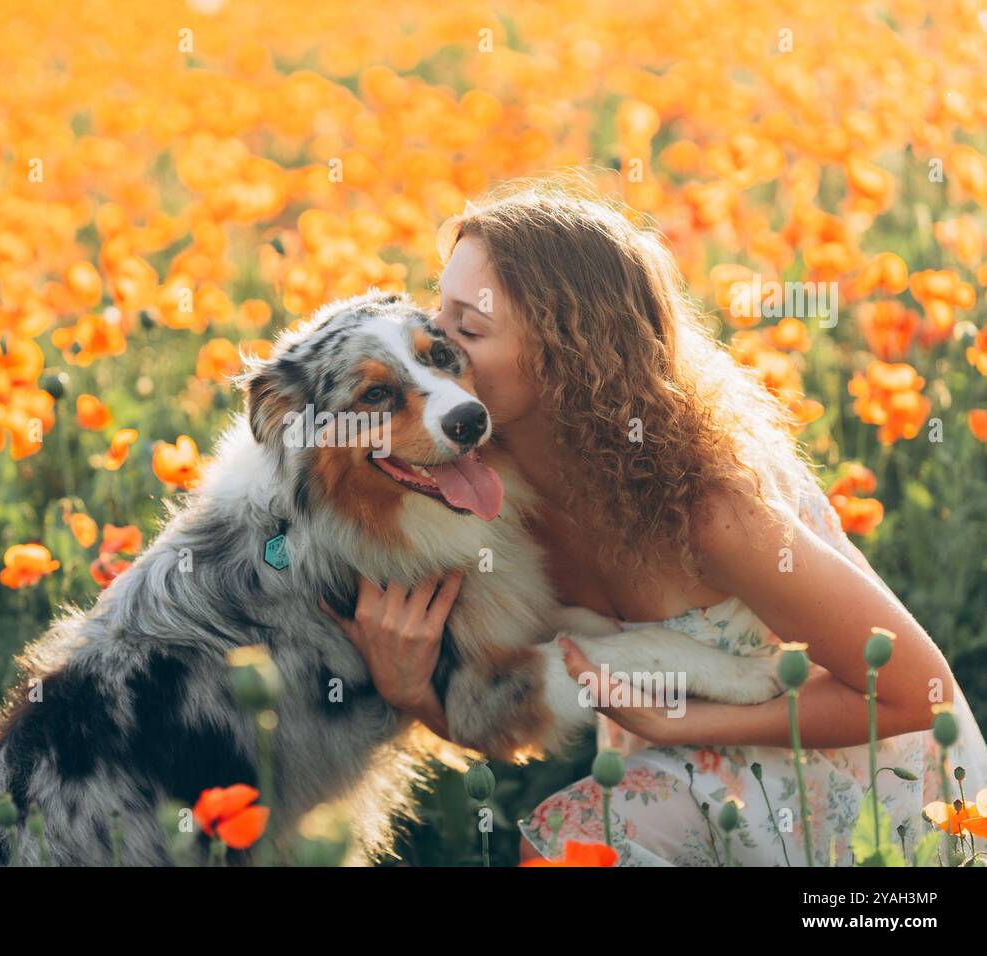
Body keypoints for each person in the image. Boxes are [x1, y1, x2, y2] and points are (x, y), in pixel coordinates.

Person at [319, 177, 987, 866]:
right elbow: (505, 722)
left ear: (564, 358)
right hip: (687, 774)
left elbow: (918, 695)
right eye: (439, 312)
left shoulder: (711, 509)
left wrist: (688, 722)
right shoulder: (469, 494)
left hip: (873, 788)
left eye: (469, 327)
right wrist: (408, 689)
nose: (434, 342)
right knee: (568, 850)